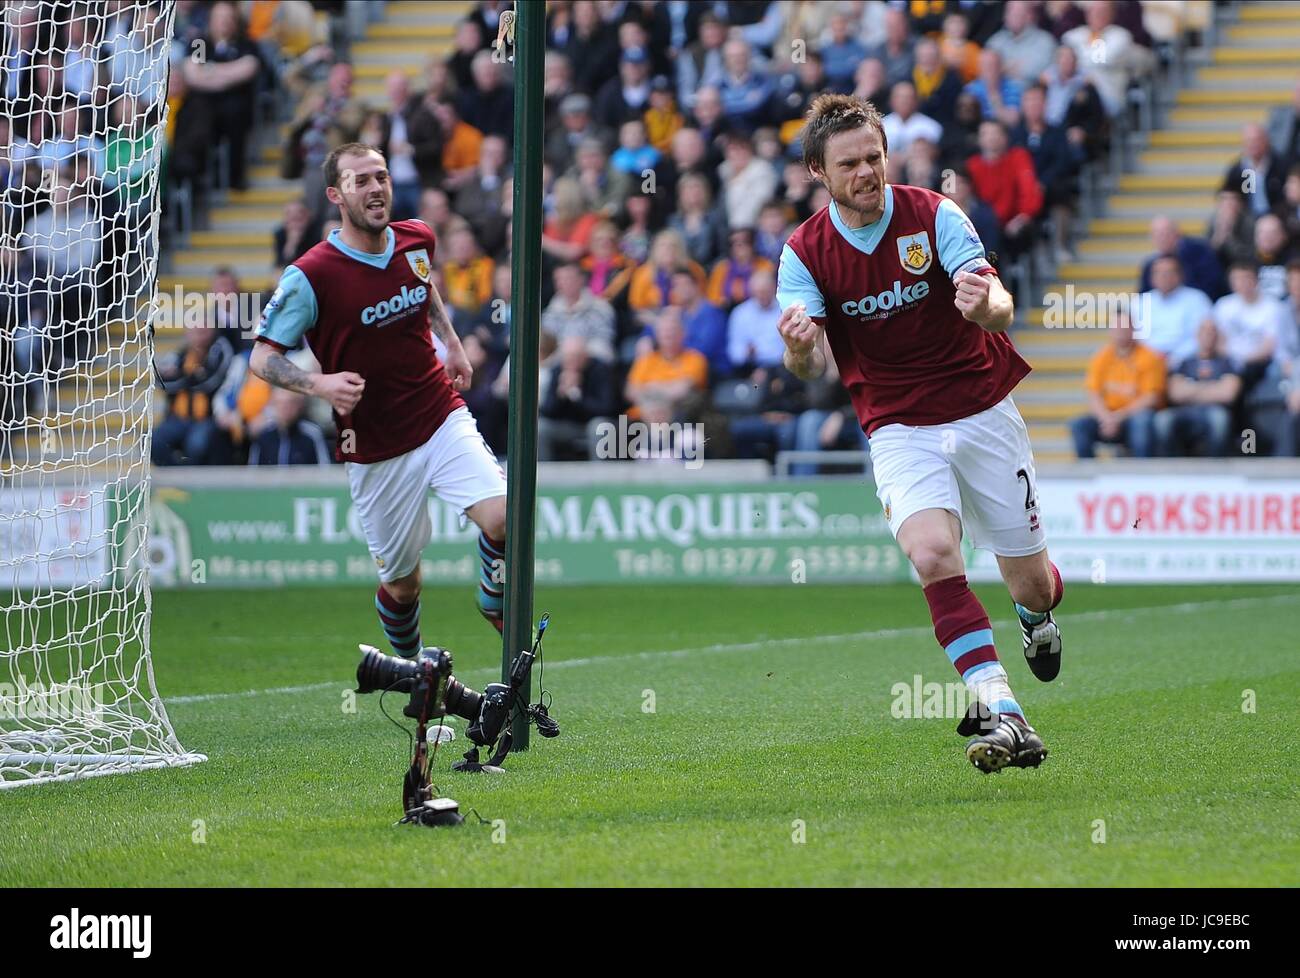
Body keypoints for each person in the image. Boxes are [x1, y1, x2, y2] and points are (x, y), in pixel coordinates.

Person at [775, 94, 1063, 775]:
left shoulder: (936, 214)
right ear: (820, 171)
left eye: (874, 156)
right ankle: (1004, 712)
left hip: (982, 408)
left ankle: (1037, 620)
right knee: (933, 555)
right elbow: (812, 365)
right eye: (850, 164)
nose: (867, 172)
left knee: (1031, 586)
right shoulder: (804, 253)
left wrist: (985, 303)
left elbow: (998, 306)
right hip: (898, 424)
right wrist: (795, 349)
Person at [251, 142, 509, 652]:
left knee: (503, 517)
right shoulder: (310, 275)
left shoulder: (418, 239)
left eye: (382, 176)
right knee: (403, 585)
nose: (376, 188)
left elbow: (423, 286)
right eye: (361, 180)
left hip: (438, 414)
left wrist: (452, 345)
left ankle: (493, 598)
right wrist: (319, 385)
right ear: (336, 195)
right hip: (375, 447)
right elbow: (262, 356)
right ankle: (417, 678)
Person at [1071, 312, 1164, 459]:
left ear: (1133, 329)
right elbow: (1093, 394)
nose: (1120, 331)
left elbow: (1151, 398)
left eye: (1124, 327)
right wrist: (1106, 418)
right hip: (1108, 417)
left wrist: (1118, 417)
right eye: (1116, 327)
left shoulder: (1149, 357)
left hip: (1133, 417)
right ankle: (1088, 474)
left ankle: (1144, 474)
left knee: (1142, 422)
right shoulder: (1101, 357)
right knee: (1078, 425)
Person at [1153, 320, 1240, 457]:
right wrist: (1212, 387)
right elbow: (1175, 393)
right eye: (1205, 332)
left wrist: (1191, 388)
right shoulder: (1186, 362)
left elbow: (1228, 394)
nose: (1208, 337)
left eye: (1212, 333)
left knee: (1219, 419)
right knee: (1163, 419)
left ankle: (1215, 465)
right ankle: (1171, 466)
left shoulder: (1226, 363)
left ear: (1217, 337)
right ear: (1197, 336)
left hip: (1214, 410)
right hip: (1185, 411)